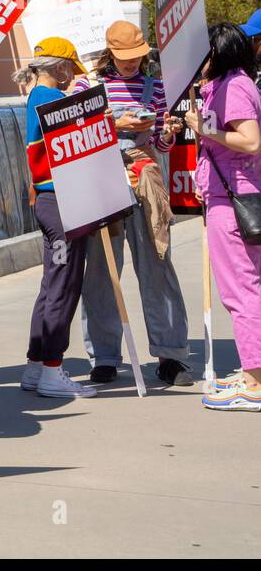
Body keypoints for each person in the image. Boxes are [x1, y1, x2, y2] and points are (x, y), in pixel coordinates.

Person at [71, 21, 192, 387]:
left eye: (137, 57)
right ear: (110, 53)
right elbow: (71, 132)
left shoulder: (155, 87)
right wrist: (111, 123)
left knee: (157, 262)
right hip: (103, 175)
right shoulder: (88, 86)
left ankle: (171, 354)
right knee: (102, 270)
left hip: (144, 171)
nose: (131, 64)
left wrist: (168, 134)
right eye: (124, 58)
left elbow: (161, 142)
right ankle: (105, 356)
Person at [186, 23, 261, 411]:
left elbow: (249, 140)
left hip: (233, 201)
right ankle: (254, 372)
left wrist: (203, 129)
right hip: (229, 194)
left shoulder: (234, 86)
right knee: (245, 287)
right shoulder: (230, 84)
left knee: (240, 291)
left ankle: (254, 383)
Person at [17, 38, 97, 399]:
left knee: (51, 284)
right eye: (70, 68)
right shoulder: (53, 102)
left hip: (48, 202)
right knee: (64, 286)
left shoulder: (35, 98)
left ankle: (36, 366)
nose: (72, 75)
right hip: (63, 203)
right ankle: (52, 369)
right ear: (59, 66)